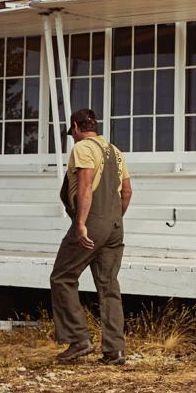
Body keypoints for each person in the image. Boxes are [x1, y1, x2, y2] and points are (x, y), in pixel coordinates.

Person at [50, 108, 133, 364]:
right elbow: (127, 192)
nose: (72, 137)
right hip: (114, 225)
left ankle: (79, 339)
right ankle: (114, 350)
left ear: (76, 127)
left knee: (63, 276)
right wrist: (113, 219)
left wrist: (83, 224)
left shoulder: (82, 149)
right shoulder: (115, 152)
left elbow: (85, 187)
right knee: (109, 285)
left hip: (92, 221)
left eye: (72, 132)